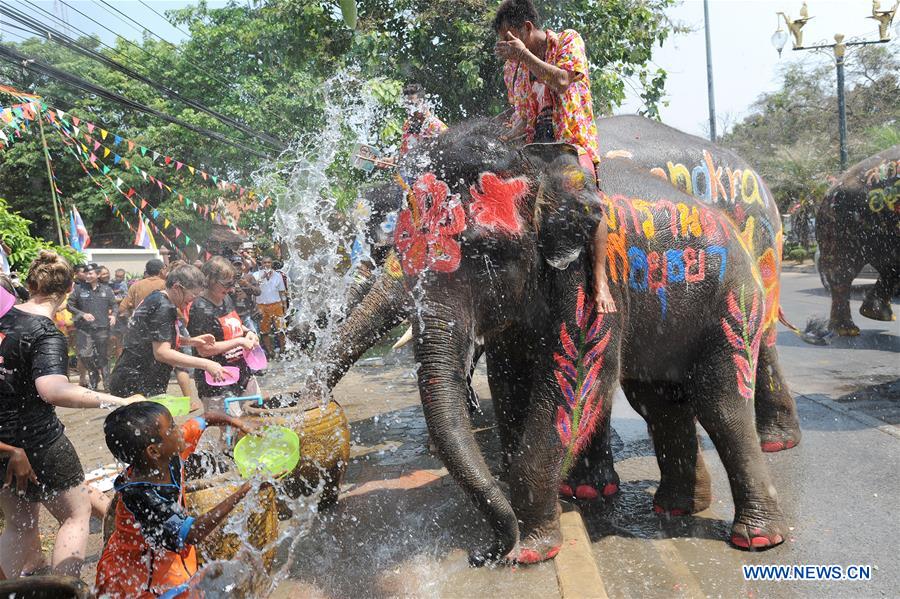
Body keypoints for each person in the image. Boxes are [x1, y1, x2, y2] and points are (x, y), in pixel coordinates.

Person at [0, 251, 137, 578]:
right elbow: (53, 390)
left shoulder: (4, 322)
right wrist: (115, 401)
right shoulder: (45, 331)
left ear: (31, 283)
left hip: (3, 445)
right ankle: (65, 590)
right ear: (68, 290)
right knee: (76, 515)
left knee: (20, 524)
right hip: (40, 442)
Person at [493, 0, 616, 312]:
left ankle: (600, 282)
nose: (506, 47)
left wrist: (524, 55)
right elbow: (521, 116)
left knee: (588, 196)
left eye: (509, 38)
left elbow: (562, 82)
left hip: (572, 144)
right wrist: (501, 136)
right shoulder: (513, 68)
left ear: (527, 29)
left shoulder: (567, 41)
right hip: (536, 148)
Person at [95, 402, 255, 598]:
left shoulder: (169, 453)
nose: (179, 429)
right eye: (171, 427)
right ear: (153, 451)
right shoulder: (142, 497)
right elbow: (192, 534)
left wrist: (238, 423)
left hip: (163, 554)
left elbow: (207, 417)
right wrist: (246, 489)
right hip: (138, 576)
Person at [109, 264, 224, 398]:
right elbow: (161, 353)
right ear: (176, 287)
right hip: (136, 382)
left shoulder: (157, 297)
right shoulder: (163, 307)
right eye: (193, 294)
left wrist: (191, 341)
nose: (194, 300)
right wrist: (206, 364)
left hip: (131, 377)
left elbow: (155, 338)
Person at [190, 258, 261, 415]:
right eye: (226, 284)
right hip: (217, 381)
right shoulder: (200, 309)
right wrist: (240, 341)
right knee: (230, 431)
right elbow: (204, 350)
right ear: (209, 280)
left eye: (232, 283)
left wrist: (248, 333)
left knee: (256, 418)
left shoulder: (226, 299)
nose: (230, 289)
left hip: (243, 374)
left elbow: (234, 324)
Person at [67, 263, 117, 390]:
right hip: (84, 329)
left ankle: (107, 384)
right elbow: (69, 305)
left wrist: (114, 315)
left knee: (103, 356)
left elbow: (114, 305)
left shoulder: (107, 290)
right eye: (86, 273)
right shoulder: (79, 289)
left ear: (98, 275)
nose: (87, 275)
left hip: (102, 327)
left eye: (90, 273)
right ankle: (94, 374)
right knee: (84, 354)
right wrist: (82, 314)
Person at [378, 83, 449, 169]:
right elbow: (404, 156)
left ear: (424, 103)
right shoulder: (408, 125)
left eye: (413, 105)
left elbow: (448, 159)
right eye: (407, 105)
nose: (410, 110)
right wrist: (392, 160)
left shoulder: (437, 128)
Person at [253, 256, 287, 357]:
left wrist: (284, 307)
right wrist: (261, 278)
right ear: (261, 264)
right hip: (261, 306)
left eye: (269, 263)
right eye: (265, 263)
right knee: (264, 331)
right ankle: (270, 352)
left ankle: (283, 350)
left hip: (276, 305)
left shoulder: (278, 275)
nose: (267, 265)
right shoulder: (256, 275)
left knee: (281, 330)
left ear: (271, 264)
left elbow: (282, 292)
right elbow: (253, 291)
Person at [118, 259, 167, 325]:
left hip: (141, 327)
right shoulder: (166, 285)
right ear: (162, 271)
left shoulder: (135, 286)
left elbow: (122, 308)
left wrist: (133, 314)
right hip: (161, 325)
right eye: (165, 269)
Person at [230, 255, 261, 332]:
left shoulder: (249, 277)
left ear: (242, 265)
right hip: (234, 314)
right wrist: (231, 290)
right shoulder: (228, 279)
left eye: (239, 264)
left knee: (254, 336)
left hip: (250, 313)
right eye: (235, 265)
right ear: (231, 266)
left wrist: (246, 284)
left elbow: (258, 292)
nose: (237, 267)